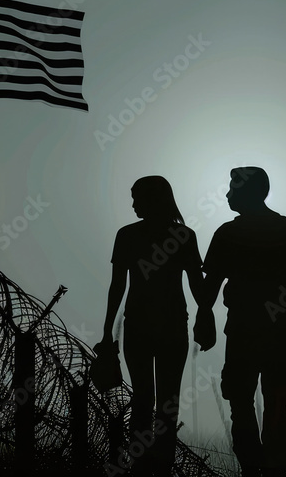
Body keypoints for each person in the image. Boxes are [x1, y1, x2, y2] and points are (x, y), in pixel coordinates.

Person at [194, 167, 286, 477]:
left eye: (232, 188)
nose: (227, 194)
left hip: (245, 330)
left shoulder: (229, 233)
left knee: (242, 402)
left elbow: (212, 284)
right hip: (277, 331)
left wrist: (204, 314)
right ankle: (271, 467)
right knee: (272, 402)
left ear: (247, 193)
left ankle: (252, 467)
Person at [99, 175, 204, 476]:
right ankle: (158, 465)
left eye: (137, 197)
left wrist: (108, 330)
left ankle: (144, 464)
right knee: (163, 401)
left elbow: (118, 285)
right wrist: (205, 314)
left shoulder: (129, 235)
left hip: (143, 326)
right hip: (167, 326)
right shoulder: (183, 235)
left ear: (153, 199)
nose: (133, 204)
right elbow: (197, 286)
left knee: (145, 398)